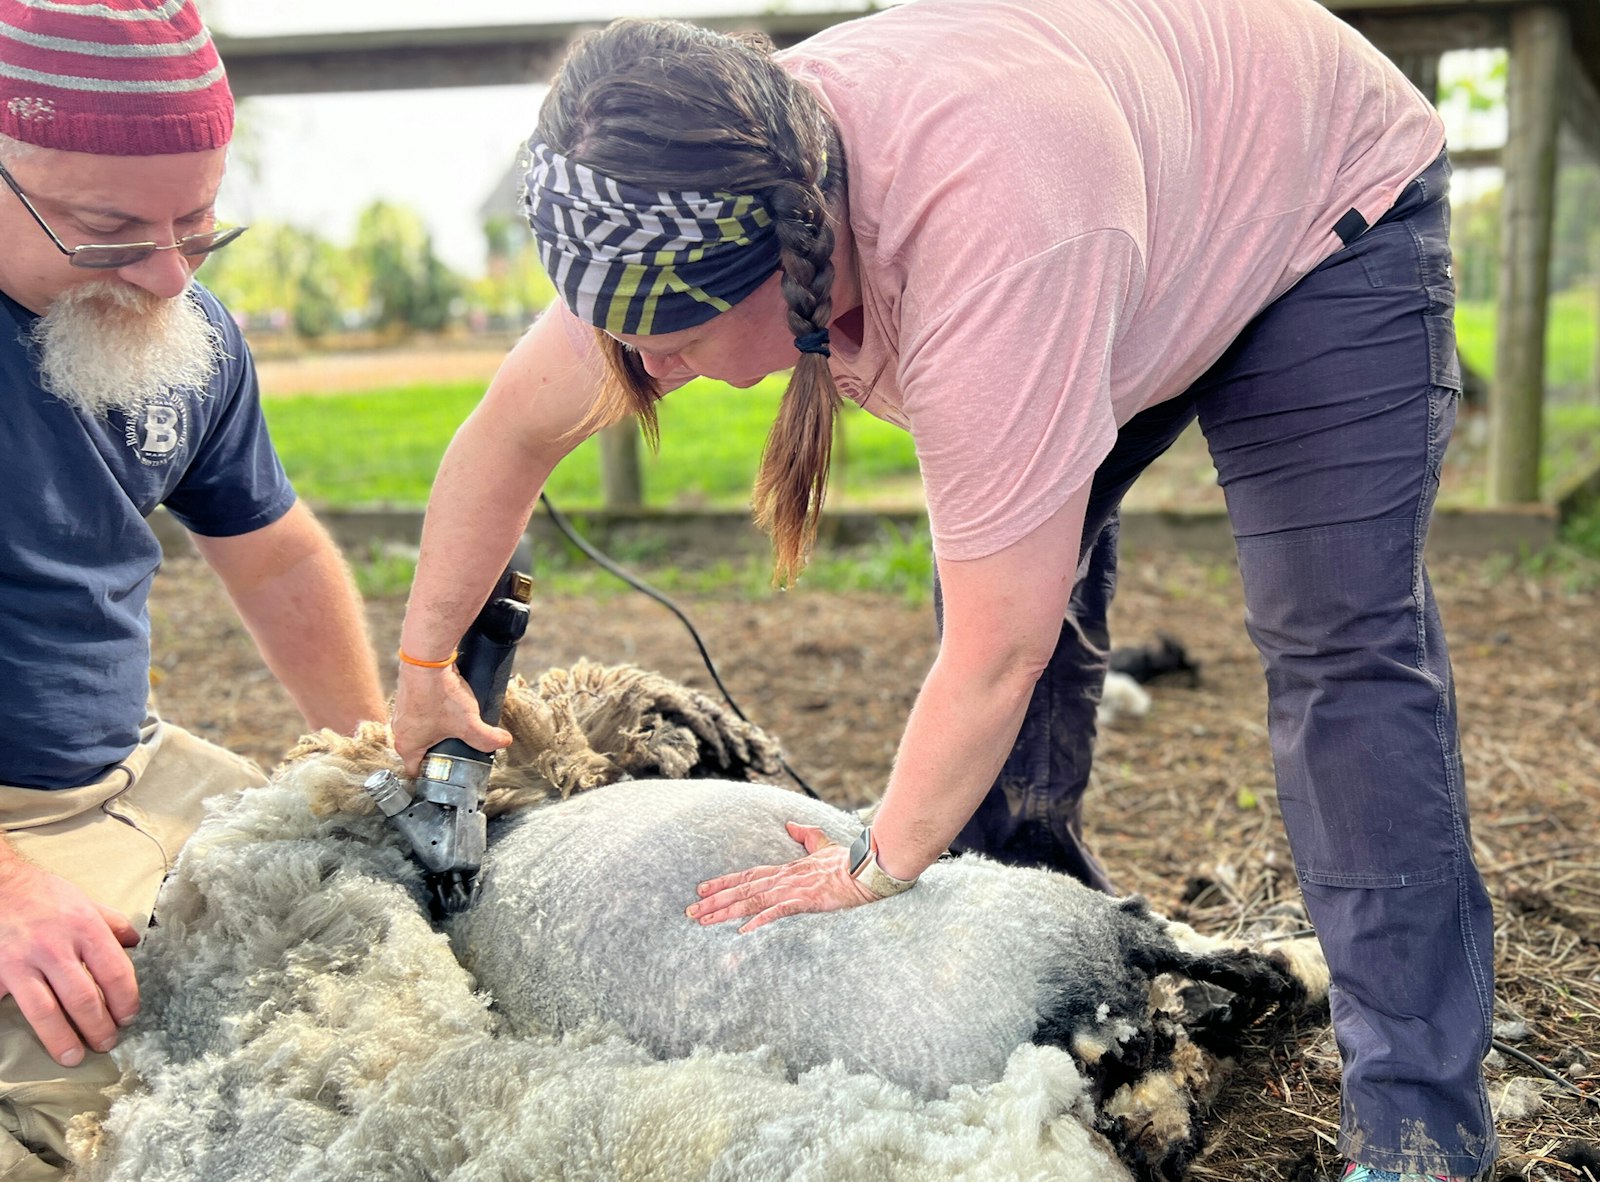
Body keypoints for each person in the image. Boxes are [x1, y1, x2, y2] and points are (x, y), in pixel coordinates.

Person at [390, 2, 1495, 1178]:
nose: (649, 368)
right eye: (620, 333)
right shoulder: (665, 211)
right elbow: (499, 442)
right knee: (999, 554)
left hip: (1306, 190)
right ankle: (1039, 946)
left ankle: (1417, 1116)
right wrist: (422, 670)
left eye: (675, 337)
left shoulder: (990, 239)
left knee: (1335, 644)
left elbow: (996, 649)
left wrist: (871, 863)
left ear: (795, 250)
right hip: (1119, 196)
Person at [0, 3, 387, 1177]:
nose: (168, 275)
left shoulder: (186, 335)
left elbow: (271, 551)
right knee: (99, 1118)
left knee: (380, 919)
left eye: (200, 226)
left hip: (131, 763)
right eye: (108, 233)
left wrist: (374, 753)